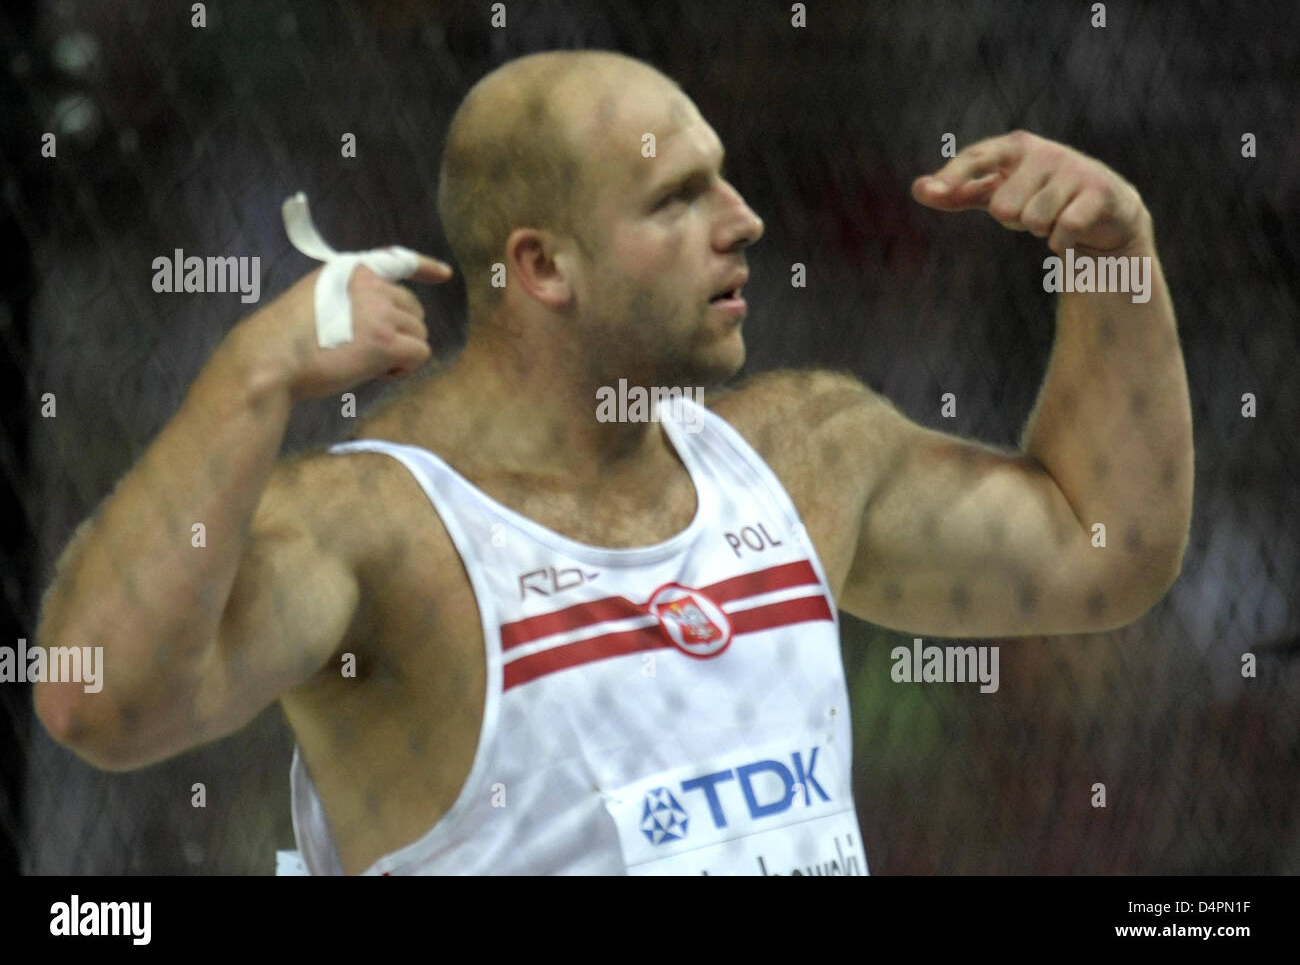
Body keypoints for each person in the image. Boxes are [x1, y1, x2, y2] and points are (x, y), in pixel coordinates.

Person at [33, 50, 1193, 875]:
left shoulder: (802, 459)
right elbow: (96, 696)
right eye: (678, 197)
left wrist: (1111, 260)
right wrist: (248, 378)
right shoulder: (379, 528)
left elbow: (1107, 551)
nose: (743, 219)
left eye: (722, 178)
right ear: (544, 266)